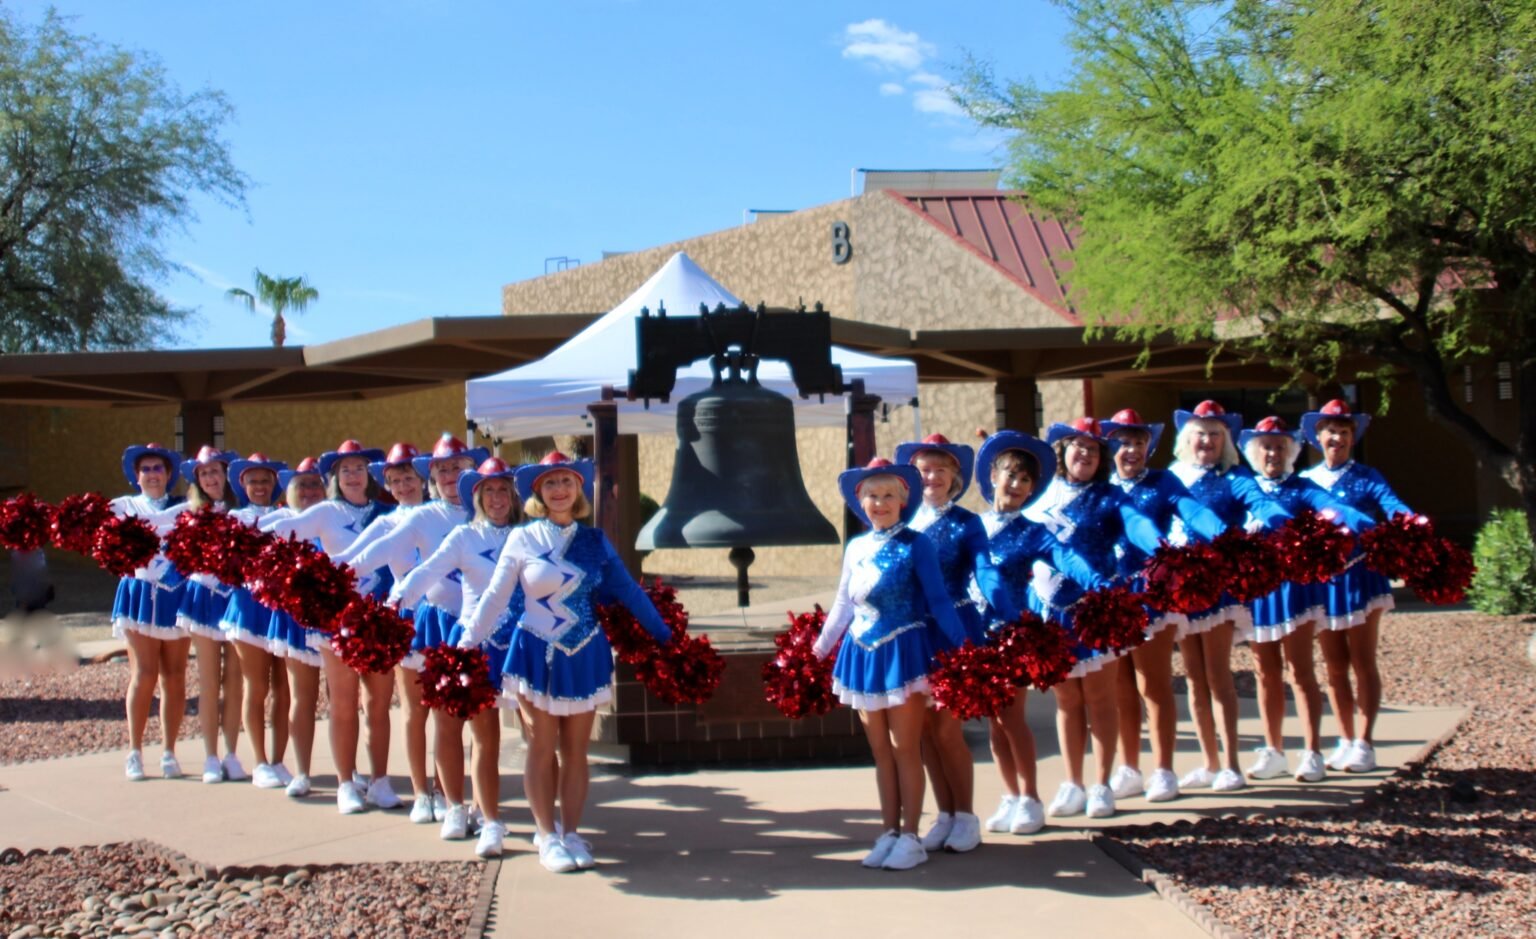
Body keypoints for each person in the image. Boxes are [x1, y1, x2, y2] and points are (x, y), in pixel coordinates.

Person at [460, 451, 671, 873]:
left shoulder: (594, 541)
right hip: (534, 651)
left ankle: (570, 831)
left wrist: (666, 637)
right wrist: (466, 645)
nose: (560, 490)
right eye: (551, 483)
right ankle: (546, 835)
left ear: (579, 491)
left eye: (567, 483)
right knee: (540, 745)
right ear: (538, 492)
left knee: (576, 751)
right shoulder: (523, 539)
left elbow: (628, 591)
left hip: (585, 652)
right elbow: (496, 598)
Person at [810, 457, 968, 872]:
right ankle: (889, 832)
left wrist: (966, 646)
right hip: (861, 655)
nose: (879, 503)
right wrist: (817, 652)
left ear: (902, 501)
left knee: (905, 749)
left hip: (904, 655)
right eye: (872, 496)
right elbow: (843, 604)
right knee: (881, 752)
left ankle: (912, 836)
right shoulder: (857, 547)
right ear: (860, 503)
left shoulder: (918, 544)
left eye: (888, 496)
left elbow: (938, 600)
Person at [342, 434, 486, 823]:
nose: (450, 475)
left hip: (479, 624)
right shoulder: (423, 516)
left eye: (458, 467)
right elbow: (382, 549)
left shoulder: (485, 511)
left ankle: (461, 796)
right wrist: (335, 570)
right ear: (433, 476)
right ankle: (424, 792)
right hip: (431, 620)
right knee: (418, 711)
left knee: (475, 719)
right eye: (442, 469)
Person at [1026, 418, 1162, 820]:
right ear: (1063, 452)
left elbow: (1138, 526)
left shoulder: (1111, 497)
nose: (1084, 454)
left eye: (1093, 449)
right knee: (1067, 699)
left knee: (1101, 697)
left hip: (1098, 608)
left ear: (1102, 457)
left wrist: (1162, 547)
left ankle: (1102, 784)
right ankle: (1072, 782)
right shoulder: (1040, 497)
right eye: (1077, 447)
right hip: (1053, 609)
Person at [971, 430, 1105, 835]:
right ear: (993, 475)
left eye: (1025, 479)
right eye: (1010, 475)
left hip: (1013, 633)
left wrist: (1098, 580)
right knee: (992, 722)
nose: (1016, 485)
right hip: (976, 635)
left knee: (1011, 718)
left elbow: (1066, 557)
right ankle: (1010, 795)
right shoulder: (971, 526)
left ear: (1033, 489)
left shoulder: (1033, 531)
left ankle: (1031, 797)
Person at [391, 457, 522, 858]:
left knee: (490, 737)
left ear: (514, 496)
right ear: (477, 497)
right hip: (467, 642)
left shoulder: (528, 534)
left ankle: (489, 815)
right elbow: (425, 572)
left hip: (514, 645)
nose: (497, 498)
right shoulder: (464, 537)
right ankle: (454, 806)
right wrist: (394, 602)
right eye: (489, 491)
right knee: (449, 726)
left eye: (503, 489)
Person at [263, 439, 400, 814]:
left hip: (379, 617)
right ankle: (345, 783)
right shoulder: (323, 512)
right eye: (346, 470)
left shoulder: (388, 512)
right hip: (336, 620)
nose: (354, 476)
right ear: (335, 477)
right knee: (343, 702)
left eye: (359, 468)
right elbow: (285, 529)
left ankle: (380, 780)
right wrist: (246, 523)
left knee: (379, 704)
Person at [1236, 416, 1375, 784]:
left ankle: (1312, 751)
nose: (1273, 453)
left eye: (1281, 446)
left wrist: (1375, 528)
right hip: (1257, 592)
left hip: (1295, 591)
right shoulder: (1243, 487)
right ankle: (1273, 749)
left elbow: (1336, 508)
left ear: (1291, 452)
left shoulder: (1304, 487)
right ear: (1254, 451)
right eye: (1266, 446)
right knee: (1265, 674)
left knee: (1300, 671)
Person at [894, 433, 1015, 854]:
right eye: (925, 469)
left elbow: (986, 570)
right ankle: (944, 815)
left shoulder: (968, 523)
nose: (932, 476)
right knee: (924, 732)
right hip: (912, 631)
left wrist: (1007, 608)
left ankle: (966, 815)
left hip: (954, 628)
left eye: (940, 469)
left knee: (947, 729)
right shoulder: (902, 522)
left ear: (954, 477)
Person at [1100, 409, 1225, 804]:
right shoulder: (1100, 487)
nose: (1131, 449)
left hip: (1154, 593)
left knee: (1152, 684)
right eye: (1122, 441)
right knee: (1119, 687)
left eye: (1139, 442)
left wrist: (1224, 536)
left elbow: (1194, 512)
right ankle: (1129, 767)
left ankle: (1164, 769)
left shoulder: (1163, 481)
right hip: (1108, 596)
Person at [1166, 400, 1288, 792]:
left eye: (1215, 435)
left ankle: (1232, 764)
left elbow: (1262, 504)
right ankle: (1209, 761)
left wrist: (1285, 524)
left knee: (1218, 675)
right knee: (1194, 678)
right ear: (1188, 439)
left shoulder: (1236, 478)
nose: (1208, 441)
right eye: (1201, 434)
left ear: (1226, 441)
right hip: (1184, 588)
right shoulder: (1173, 477)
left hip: (1218, 589)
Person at [1298, 399, 1411, 774]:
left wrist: (1410, 523)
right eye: (1331, 431)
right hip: (1324, 582)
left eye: (1345, 432)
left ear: (1352, 437)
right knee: (1333, 665)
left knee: (1363, 661)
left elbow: (1391, 503)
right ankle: (1345, 739)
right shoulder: (1306, 481)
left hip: (1362, 574)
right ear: (1318, 437)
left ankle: (1365, 741)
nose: (1338, 438)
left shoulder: (1367, 475)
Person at [110, 443, 189, 781]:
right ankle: (135, 752)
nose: (153, 474)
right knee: (144, 674)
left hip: (175, 595)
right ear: (136, 476)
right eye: (147, 469)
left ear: (169, 475)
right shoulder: (123, 506)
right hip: (140, 594)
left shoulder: (185, 507)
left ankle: (169, 751)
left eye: (159, 468)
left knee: (175, 676)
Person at [170, 446, 245, 785]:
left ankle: (231, 754)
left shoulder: (242, 512)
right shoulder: (187, 515)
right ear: (197, 480)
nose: (212, 479)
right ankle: (210, 757)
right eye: (205, 474)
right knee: (209, 680)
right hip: (203, 599)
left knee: (235, 681)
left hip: (235, 600)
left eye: (216, 471)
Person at [220, 453, 293, 790]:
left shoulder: (286, 516)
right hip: (248, 607)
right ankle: (259, 761)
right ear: (243, 485)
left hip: (282, 608)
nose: (260, 487)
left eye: (265, 481)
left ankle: (278, 759)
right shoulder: (233, 519)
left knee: (284, 686)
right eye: (253, 481)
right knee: (256, 685)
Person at [257, 457, 326, 799]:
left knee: (343, 698)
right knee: (302, 694)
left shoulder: (334, 518)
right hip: (296, 618)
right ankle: (301, 771)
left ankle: (351, 771)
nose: (311, 491)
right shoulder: (278, 523)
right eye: (304, 486)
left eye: (316, 484)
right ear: (290, 491)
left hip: (336, 618)